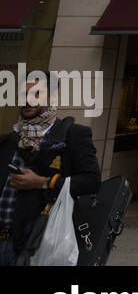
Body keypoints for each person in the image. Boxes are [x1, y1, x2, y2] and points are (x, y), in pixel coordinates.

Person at [0, 71, 101, 266]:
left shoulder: (72, 135)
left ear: (53, 97)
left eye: (36, 94)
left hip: (37, 244)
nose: (28, 100)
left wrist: (42, 183)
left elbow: (91, 181)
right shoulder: (8, 140)